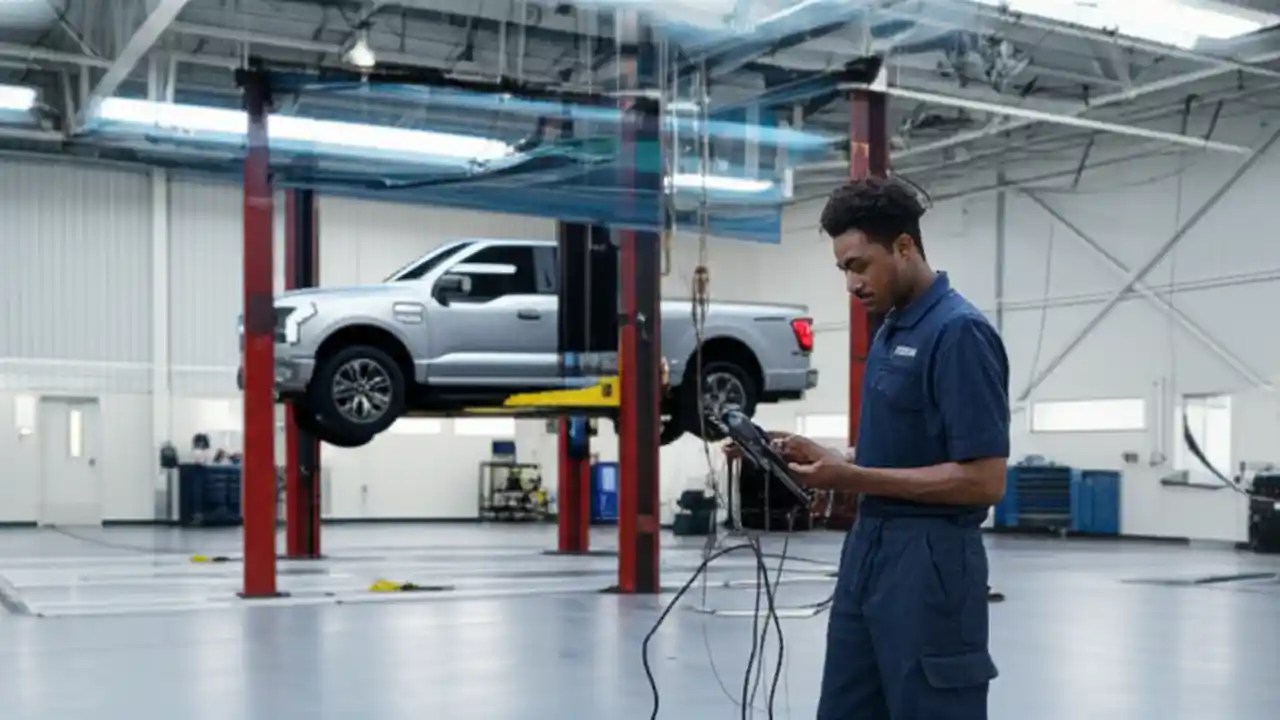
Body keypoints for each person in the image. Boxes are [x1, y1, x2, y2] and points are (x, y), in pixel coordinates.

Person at [744, 178, 1010, 719]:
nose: (851, 282)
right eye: (843, 268)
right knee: (847, 707)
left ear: (905, 247)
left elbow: (985, 480)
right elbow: (892, 456)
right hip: (869, 550)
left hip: (931, 562)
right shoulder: (891, 330)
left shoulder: (958, 334)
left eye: (859, 264)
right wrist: (815, 454)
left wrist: (853, 480)